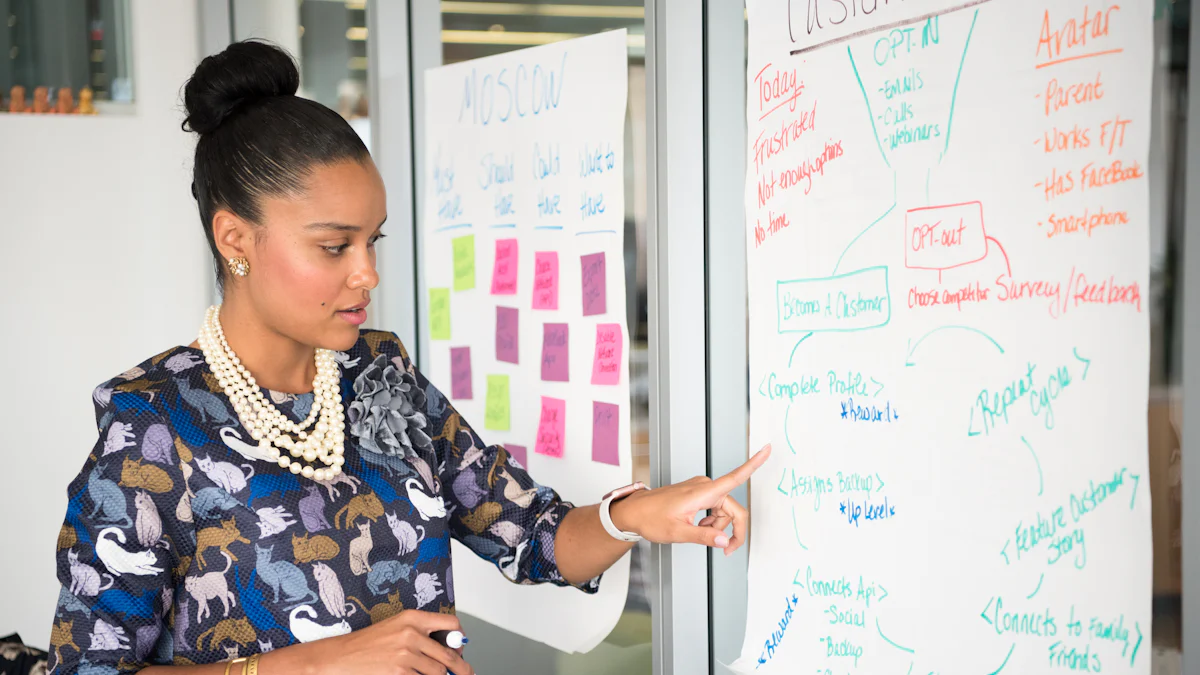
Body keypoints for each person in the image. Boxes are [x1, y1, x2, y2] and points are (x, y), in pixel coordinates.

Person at [49, 41, 770, 675]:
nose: (367, 273)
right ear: (235, 239)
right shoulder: (152, 424)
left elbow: (533, 536)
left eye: (374, 241)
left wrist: (638, 514)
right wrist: (313, 662)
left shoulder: (379, 376)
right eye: (335, 246)